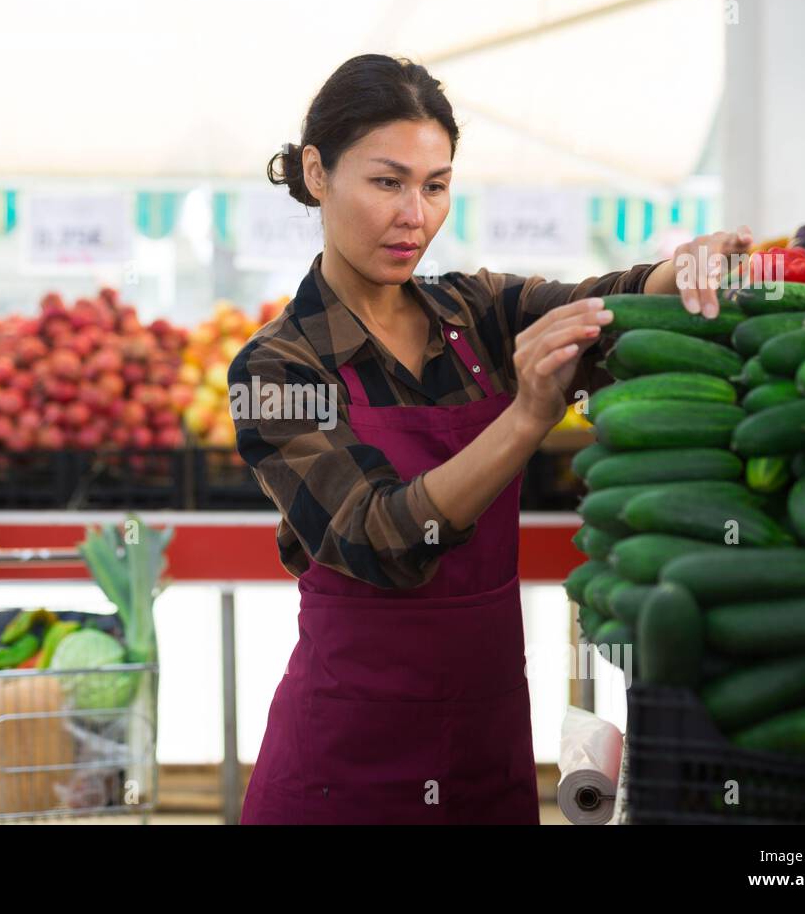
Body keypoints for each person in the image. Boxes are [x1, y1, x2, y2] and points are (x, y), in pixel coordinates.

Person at [230, 55, 752, 825]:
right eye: (387, 181)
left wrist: (679, 274)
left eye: (435, 185)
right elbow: (382, 538)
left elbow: (596, 306)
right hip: (342, 773)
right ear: (316, 172)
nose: (414, 213)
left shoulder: (474, 313)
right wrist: (524, 419)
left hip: (486, 755)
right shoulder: (279, 366)